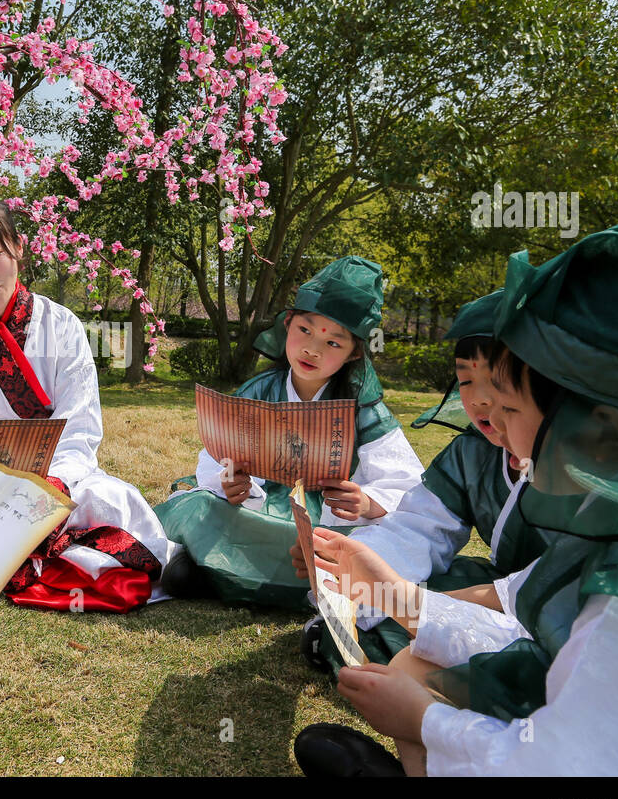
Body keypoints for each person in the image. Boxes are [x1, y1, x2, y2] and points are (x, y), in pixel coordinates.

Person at [295, 222, 618, 776]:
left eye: (511, 406)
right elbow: (515, 607)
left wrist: (425, 721)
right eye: (470, 384)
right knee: (417, 656)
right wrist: (380, 584)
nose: (491, 418)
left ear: (602, 430)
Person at [0, 193, 177, 612]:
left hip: (54, 480)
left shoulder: (62, 325)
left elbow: (79, 427)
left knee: (113, 498)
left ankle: (41, 548)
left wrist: (52, 486)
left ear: (18, 247)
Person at [297, 290, 551, 672]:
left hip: (561, 604)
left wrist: (402, 600)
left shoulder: (580, 467)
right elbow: (418, 526)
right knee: (403, 599)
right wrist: (354, 566)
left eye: (497, 382)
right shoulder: (470, 454)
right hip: (500, 586)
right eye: (466, 380)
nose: (479, 400)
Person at [155, 256, 423, 608]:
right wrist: (234, 484)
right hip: (255, 515)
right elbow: (218, 457)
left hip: (327, 527)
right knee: (200, 505)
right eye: (305, 330)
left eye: (333, 343)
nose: (312, 349)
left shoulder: (364, 409)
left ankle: (220, 572)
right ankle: (231, 571)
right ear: (288, 324)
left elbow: (408, 483)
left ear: (354, 354)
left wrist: (368, 502)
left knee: (370, 545)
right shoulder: (259, 390)